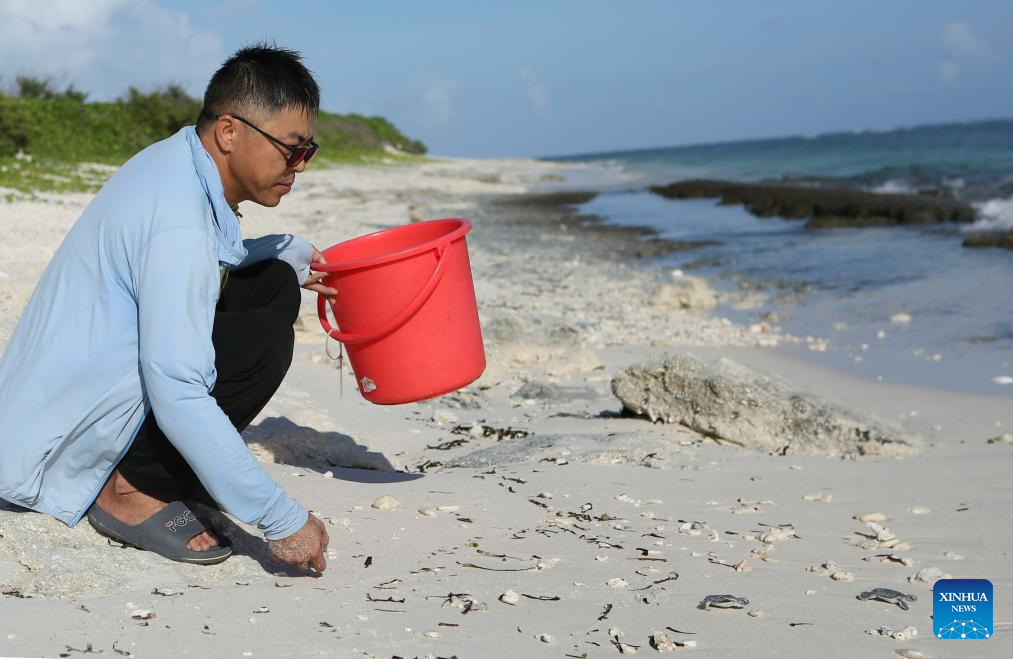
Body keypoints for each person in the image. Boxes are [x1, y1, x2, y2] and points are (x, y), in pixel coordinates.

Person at [0, 44, 336, 571]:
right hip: (55, 445)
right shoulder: (177, 219)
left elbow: (207, 258)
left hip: (75, 384)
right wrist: (281, 518)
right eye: (290, 150)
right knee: (263, 344)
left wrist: (285, 251)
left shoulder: (177, 159)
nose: (298, 166)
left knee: (272, 284)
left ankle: (150, 468)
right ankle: (129, 487)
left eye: (307, 152)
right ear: (229, 132)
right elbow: (177, 388)